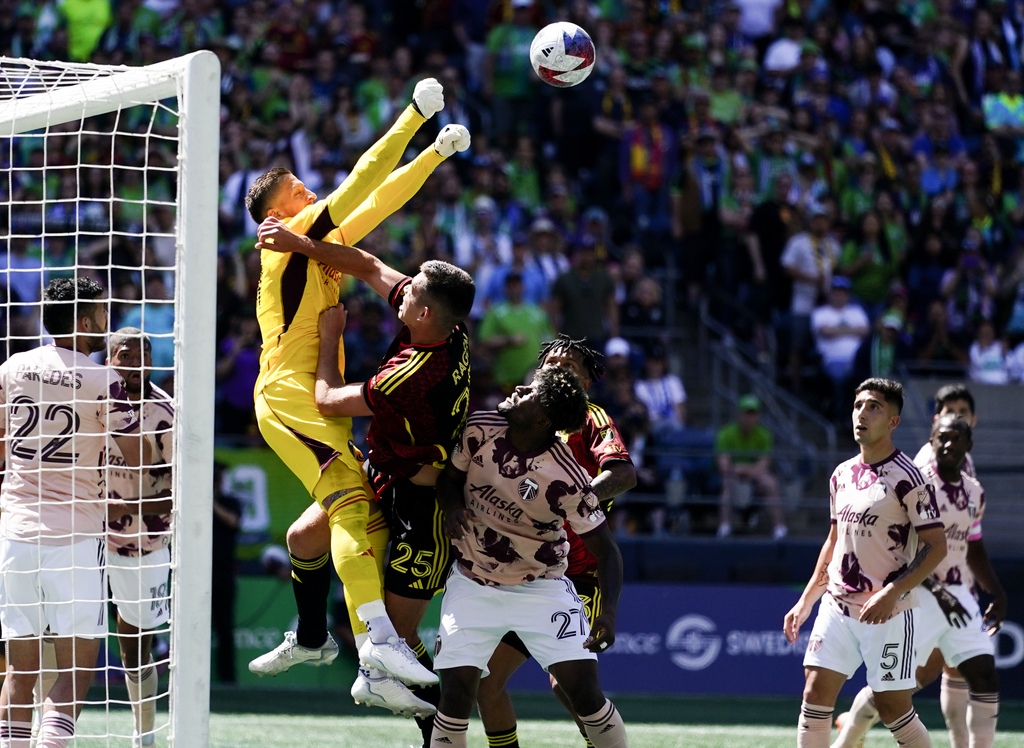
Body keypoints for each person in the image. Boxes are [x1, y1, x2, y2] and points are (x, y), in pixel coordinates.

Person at [245, 78, 468, 690]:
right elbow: (359, 184)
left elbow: (379, 203)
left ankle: (318, 638)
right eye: (299, 192)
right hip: (289, 395)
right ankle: (376, 645)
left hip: (314, 402)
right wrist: (412, 117)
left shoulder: (313, 245)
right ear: (276, 215)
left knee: (349, 520)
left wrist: (434, 154)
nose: (312, 193)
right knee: (349, 504)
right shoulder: (281, 248)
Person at [251, 220, 475, 736]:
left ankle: (443, 735)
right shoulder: (446, 325)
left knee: (398, 643)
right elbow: (370, 265)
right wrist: (299, 244)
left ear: (423, 312)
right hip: (385, 470)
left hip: (425, 510)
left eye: (410, 289)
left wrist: (330, 337)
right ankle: (311, 637)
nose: (400, 289)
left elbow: (327, 399)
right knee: (303, 537)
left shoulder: (413, 373)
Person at [433, 366, 629, 748]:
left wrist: (607, 614)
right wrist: (452, 507)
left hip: (540, 587)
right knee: (457, 693)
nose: (518, 388)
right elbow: (448, 480)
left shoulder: (567, 477)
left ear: (541, 419)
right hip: (473, 582)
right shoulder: (480, 428)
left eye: (530, 391)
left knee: (584, 693)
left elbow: (608, 553)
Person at [0, 277, 149, 746]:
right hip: (76, 537)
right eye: (102, 312)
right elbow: (139, 456)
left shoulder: (13, 366)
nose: (107, 320)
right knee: (76, 670)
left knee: (20, 674)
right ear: (84, 322)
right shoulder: (104, 379)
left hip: (15, 532)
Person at [783, 377, 947, 748]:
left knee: (892, 709)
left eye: (874, 406)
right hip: (838, 606)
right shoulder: (841, 474)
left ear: (893, 421)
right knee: (813, 693)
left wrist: (892, 593)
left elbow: (936, 547)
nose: (862, 413)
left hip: (889, 613)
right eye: (858, 405)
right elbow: (834, 540)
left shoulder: (910, 478)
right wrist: (807, 599)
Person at [833, 415, 1006, 748]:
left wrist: (996, 592)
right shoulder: (916, 485)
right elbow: (905, 548)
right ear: (931, 441)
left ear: (968, 446)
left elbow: (973, 545)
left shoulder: (974, 492)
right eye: (942, 438)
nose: (949, 444)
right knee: (895, 684)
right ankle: (847, 741)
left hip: (959, 596)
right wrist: (939, 592)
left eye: (957, 438)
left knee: (984, 675)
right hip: (919, 591)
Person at [105, 327, 176, 748]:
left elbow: (176, 493)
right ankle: (47, 723)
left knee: (134, 644)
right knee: (54, 626)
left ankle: (143, 733)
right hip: (85, 535)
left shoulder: (164, 412)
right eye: (126, 356)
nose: (135, 365)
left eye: (142, 357)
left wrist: (128, 510)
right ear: (111, 358)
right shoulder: (95, 402)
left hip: (143, 542)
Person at [714, 394, 787, 541]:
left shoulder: (764, 435)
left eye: (752, 413)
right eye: (745, 413)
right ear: (738, 414)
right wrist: (738, 470)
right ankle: (725, 527)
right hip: (733, 475)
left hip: (754, 475)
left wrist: (745, 469)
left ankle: (779, 528)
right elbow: (723, 465)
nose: (748, 417)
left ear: (758, 416)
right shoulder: (725, 434)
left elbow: (764, 464)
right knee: (727, 483)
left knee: (771, 483)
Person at [211, 462, 242, 685]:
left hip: (223, 576)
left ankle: (228, 680)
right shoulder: (192, 502)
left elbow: (233, 521)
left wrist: (209, 501)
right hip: (196, 577)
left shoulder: (230, 502)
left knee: (225, 630)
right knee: (193, 629)